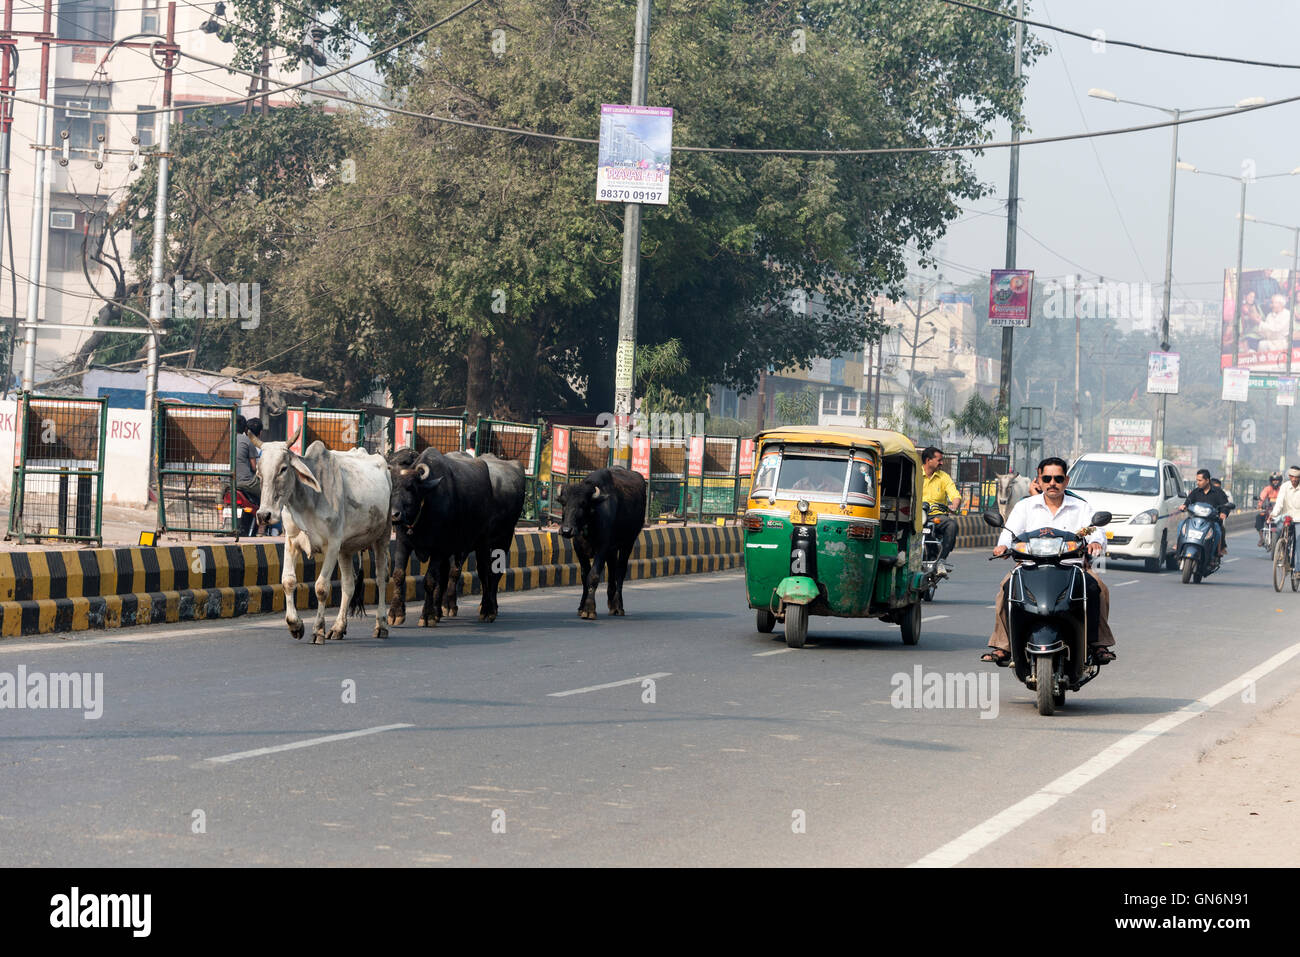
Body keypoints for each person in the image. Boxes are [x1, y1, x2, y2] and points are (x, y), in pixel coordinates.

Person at [982, 456, 1116, 666]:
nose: (1052, 483)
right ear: (1039, 480)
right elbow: (1010, 533)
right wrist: (1003, 546)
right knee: (1005, 589)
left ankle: (1098, 643)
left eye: (1058, 478)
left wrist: (1096, 543)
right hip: (1029, 567)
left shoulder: (1080, 507)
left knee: (1099, 588)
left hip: (1072, 567)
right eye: (1047, 478)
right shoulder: (1025, 507)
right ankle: (1002, 645)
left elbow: (1095, 530)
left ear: (1066, 481)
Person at [920, 446, 960, 565]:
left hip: (936, 517)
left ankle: (942, 559)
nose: (942, 463)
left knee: (951, 525)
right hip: (917, 515)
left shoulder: (944, 477)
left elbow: (955, 495)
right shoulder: (915, 474)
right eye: (939, 460)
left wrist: (954, 505)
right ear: (928, 460)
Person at [1179, 469, 1230, 557]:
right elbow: (1189, 500)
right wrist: (1184, 505)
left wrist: (1223, 513)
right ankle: (1179, 547)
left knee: (1218, 531)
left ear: (1207, 480)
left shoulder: (1218, 492)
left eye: (1200, 480)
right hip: (1195, 520)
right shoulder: (1196, 491)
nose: (1198, 483)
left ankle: (1215, 553)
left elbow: (1225, 505)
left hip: (1211, 521)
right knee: (1181, 525)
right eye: (1197, 480)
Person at [235, 416, 264, 536]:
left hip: (228, 480)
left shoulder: (228, 440)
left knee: (220, 500)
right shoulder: (248, 441)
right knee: (267, 495)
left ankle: (223, 526)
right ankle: (262, 530)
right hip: (245, 481)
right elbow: (254, 467)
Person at [1269, 467, 1300, 567]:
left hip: (1299, 519)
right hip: (1287, 517)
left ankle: (1297, 569)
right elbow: (1279, 503)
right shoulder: (1284, 487)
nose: (1294, 479)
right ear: (1290, 477)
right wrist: (1273, 514)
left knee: (1298, 540)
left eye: (1297, 477)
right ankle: (1281, 551)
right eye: (1292, 477)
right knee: (1278, 530)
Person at [1257, 472, 1282, 547]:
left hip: (1280, 511)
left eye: (1277, 480)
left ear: (1280, 481)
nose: (1275, 482)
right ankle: (1261, 538)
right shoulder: (1267, 489)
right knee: (1259, 517)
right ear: (1271, 481)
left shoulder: (1282, 489)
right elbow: (1262, 497)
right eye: (1273, 480)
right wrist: (1260, 505)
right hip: (1269, 510)